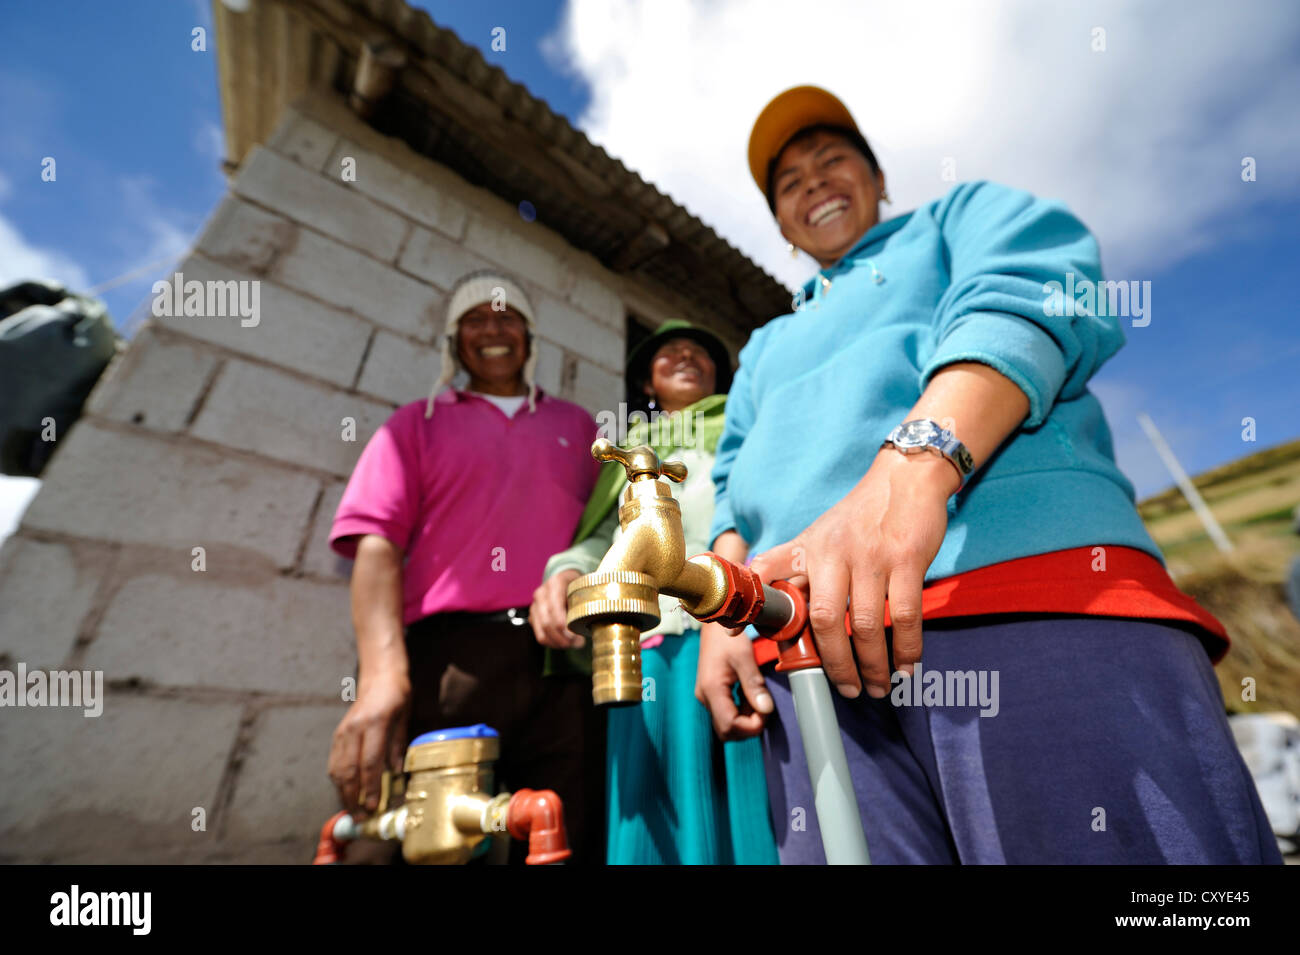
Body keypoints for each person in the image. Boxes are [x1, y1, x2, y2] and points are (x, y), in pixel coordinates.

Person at [696, 85, 1283, 864]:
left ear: (878, 182)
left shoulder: (957, 220)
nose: (815, 183)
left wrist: (913, 470)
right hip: (809, 664)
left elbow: (1035, 286)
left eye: (833, 160)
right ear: (783, 229)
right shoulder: (764, 347)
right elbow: (733, 480)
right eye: (791, 183)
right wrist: (720, 614)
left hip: (1018, 598)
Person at [326, 270, 604, 864]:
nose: (494, 329)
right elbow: (376, 543)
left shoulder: (579, 428)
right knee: (443, 842)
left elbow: (605, 534)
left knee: (567, 831)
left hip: (562, 657)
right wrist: (381, 675)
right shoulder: (414, 425)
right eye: (476, 318)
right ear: (454, 342)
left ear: (530, 339)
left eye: (508, 318)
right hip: (449, 662)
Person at [530, 320, 779, 864]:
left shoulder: (746, 432)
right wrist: (567, 573)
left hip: (735, 622)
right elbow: (600, 536)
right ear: (647, 381)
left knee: (741, 776)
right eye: (670, 352)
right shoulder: (630, 453)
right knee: (644, 788)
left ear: (720, 377)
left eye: (700, 352)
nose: (685, 356)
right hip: (646, 633)